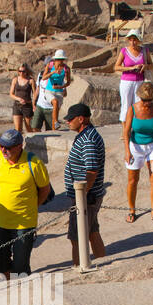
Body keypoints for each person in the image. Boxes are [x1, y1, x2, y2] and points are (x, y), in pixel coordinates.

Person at [0, 129, 51, 277]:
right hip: (0, 220)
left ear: (19, 146)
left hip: (24, 223)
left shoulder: (34, 163)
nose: (3, 150)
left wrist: (33, 206)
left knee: (20, 266)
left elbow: (45, 189)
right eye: (1, 146)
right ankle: (10, 283)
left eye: (8, 147)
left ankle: (20, 286)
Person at [63, 104, 107, 267]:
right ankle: (103, 261)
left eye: (70, 119)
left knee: (77, 237)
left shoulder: (88, 139)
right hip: (88, 195)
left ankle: (79, 266)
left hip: (86, 197)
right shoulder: (85, 135)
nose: (68, 122)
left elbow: (92, 171)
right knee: (92, 231)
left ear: (81, 119)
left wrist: (82, 195)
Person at [123, 81, 153, 223]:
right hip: (136, 146)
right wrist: (127, 151)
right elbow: (126, 132)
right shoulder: (133, 109)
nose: (147, 103)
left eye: (149, 100)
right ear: (139, 98)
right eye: (144, 100)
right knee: (133, 180)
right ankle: (131, 209)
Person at [112, 30, 150, 126]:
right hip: (127, 81)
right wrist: (131, 68)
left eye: (135, 40)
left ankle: (136, 128)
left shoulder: (144, 51)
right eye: (131, 40)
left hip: (140, 81)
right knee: (126, 105)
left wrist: (145, 66)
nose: (133, 42)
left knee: (139, 104)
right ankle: (125, 130)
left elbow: (151, 65)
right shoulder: (124, 51)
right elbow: (116, 67)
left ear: (138, 40)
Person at [41, 49, 72, 129]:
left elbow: (68, 82)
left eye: (62, 59)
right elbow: (44, 78)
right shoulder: (50, 65)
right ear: (55, 59)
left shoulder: (66, 69)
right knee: (55, 102)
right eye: (58, 59)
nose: (60, 61)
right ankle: (55, 122)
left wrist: (61, 87)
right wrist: (53, 72)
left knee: (56, 109)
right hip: (49, 90)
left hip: (59, 91)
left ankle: (54, 127)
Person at [9, 64, 34, 134]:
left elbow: (35, 94)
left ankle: (32, 142)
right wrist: (18, 99)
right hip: (17, 105)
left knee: (28, 128)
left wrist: (32, 103)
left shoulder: (31, 81)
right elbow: (11, 94)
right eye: (20, 71)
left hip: (27, 106)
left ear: (26, 71)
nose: (21, 73)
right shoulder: (15, 80)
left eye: (23, 71)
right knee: (18, 129)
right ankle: (19, 143)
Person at [30, 68, 55, 133]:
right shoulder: (41, 74)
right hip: (40, 105)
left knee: (50, 130)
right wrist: (33, 103)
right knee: (34, 127)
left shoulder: (57, 76)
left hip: (50, 108)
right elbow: (37, 89)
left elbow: (63, 93)